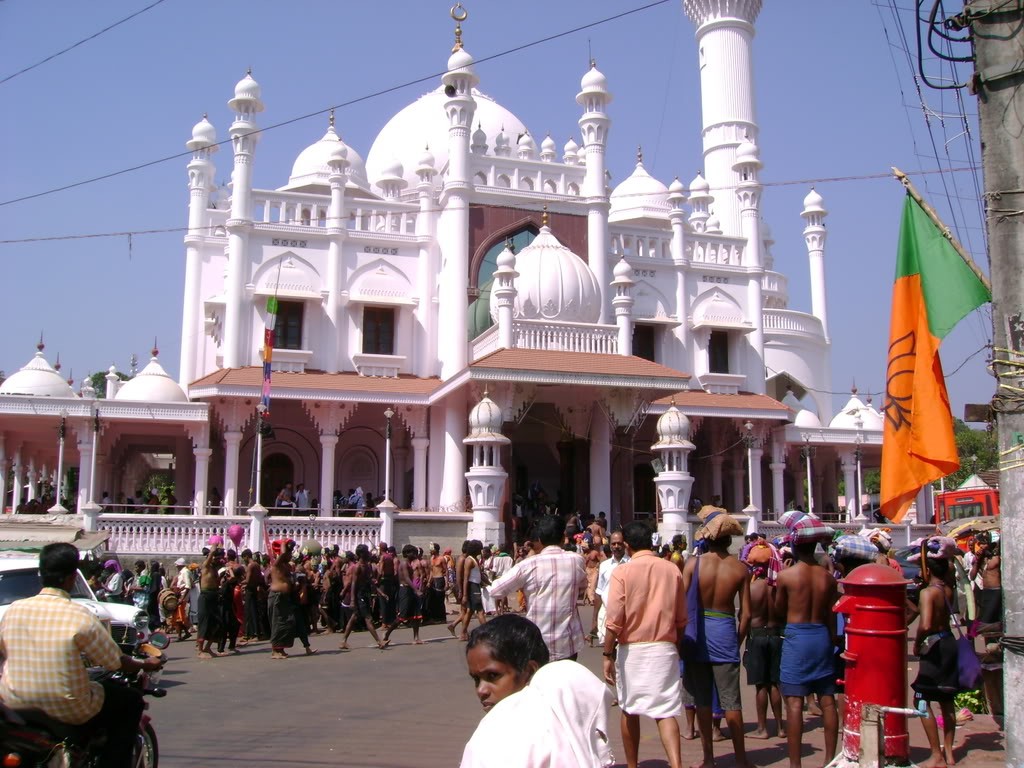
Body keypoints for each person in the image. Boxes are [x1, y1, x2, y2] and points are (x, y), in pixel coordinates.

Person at [0, 543, 164, 768]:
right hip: (67, 707)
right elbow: (115, 662)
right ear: (70, 578)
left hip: (14, 701)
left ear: (42, 575)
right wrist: (146, 664)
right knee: (130, 702)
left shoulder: (14, 610)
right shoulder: (79, 615)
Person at [460, 615, 613, 768]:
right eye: (476, 679)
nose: (481, 690)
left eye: (493, 676)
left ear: (529, 671)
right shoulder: (571, 713)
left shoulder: (492, 736)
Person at [603, 521, 686, 768]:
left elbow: (614, 620)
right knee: (666, 710)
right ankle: (676, 764)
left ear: (627, 545)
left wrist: (607, 653)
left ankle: (632, 765)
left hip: (633, 650)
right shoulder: (672, 570)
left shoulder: (623, 572)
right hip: (665, 646)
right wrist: (675, 646)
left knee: (630, 709)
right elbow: (681, 618)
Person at [681, 506, 751, 768]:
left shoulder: (693, 564)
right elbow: (746, 614)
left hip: (697, 632)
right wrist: (738, 640)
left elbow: (680, 603)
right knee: (731, 700)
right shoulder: (740, 569)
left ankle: (708, 759)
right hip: (725, 631)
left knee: (702, 700)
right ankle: (741, 759)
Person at [774, 513, 839, 768]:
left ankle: (795, 765)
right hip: (821, 635)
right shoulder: (827, 578)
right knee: (827, 700)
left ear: (794, 546)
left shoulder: (787, 576)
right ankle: (830, 759)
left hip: (797, 636)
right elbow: (832, 612)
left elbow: (779, 610)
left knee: (794, 702)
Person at [489, 516, 587, 661]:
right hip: (568, 644)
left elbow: (495, 590)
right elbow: (583, 586)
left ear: (539, 540)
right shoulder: (576, 560)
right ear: (563, 538)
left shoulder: (528, 565)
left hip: (537, 642)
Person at [910, 536, 962, 768]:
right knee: (946, 699)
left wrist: (916, 643)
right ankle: (949, 752)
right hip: (949, 642)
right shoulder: (947, 590)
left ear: (927, 569)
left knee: (921, 699)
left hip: (933, 645)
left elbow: (926, 624)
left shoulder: (928, 593)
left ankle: (935, 754)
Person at [744, 538, 784, 740]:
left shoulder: (751, 589)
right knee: (775, 683)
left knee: (761, 685)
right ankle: (780, 726)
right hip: (777, 635)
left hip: (757, 636)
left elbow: (745, 617)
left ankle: (762, 728)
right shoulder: (778, 588)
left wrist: (740, 642)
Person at [339, 543, 386, 650]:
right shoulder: (357, 567)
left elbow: (370, 582)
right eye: (366, 552)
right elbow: (353, 583)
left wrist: (381, 593)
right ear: (361, 554)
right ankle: (379, 642)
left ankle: (343, 641)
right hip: (359, 595)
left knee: (354, 617)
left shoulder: (368, 566)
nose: (369, 553)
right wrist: (352, 600)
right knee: (368, 618)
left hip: (365, 594)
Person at [383, 544, 426, 646]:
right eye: (413, 552)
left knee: (416, 615)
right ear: (407, 553)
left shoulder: (409, 563)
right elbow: (406, 578)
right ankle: (387, 633)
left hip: (410, 590)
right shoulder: (403, 564)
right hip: (405, 590)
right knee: (402, 616)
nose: (415, 555)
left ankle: (416, 637)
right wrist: (416, 590)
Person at [591, 530, 629, 645]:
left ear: (625, 544)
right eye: (613, 544)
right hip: (608, 616)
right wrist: (594, 619)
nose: (616, 546)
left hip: (627, 618)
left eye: (619, 543)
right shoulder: (604, 566)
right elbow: (599, 592)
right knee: (609, 653)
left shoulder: (632, 564)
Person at [268, 540, 297, 659]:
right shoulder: (276, 564)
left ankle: (281, 648)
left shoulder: (287, 566)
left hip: (285, 597)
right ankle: (275, 651)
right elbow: (283, 553)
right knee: (277, 622)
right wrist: (284, 543)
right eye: (289, 552)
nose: (290, 555)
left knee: (286, 622)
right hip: (277, 597)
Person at [196, 548, 225, 659]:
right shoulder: (206, 566)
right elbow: (210, 557)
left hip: (214, 596)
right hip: (205, 597)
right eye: (216, 558)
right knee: (204, 623)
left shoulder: (215, 569)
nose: (218, 560)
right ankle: (200, 650)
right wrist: (213, 549)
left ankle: (208, 648)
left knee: (217, 624)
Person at [970, 531, 1001, 625]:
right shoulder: (980, 557)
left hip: (996, 591)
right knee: (984, 622)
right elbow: (972, 576)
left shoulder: (999, 556)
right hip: (985, 591)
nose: (980, 546)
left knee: (990, 622)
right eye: (979, 544)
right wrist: (977, 561)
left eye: (983, 543)